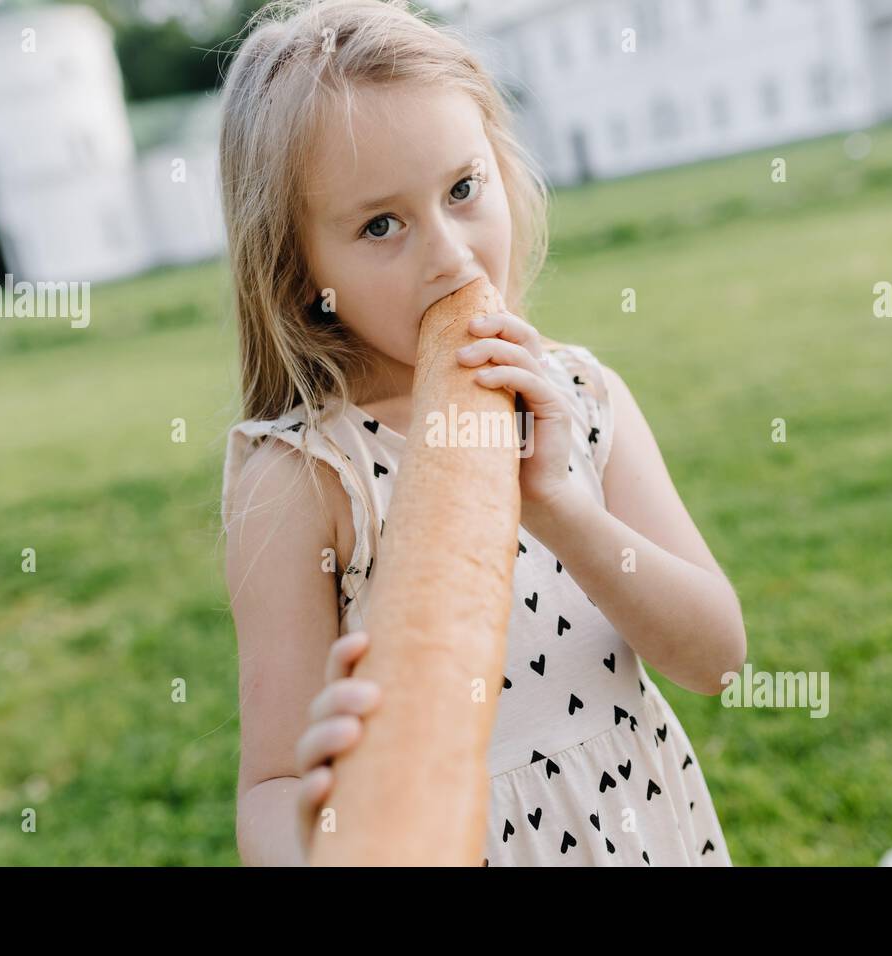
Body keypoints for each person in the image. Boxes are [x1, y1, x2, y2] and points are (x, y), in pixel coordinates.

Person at [220, 0, 746, 866]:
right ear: (298, 268)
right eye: (380, 225)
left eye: (463, 189)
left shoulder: (582, 395)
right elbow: (274, 786)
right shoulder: (306, 475)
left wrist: (567, 511)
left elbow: (717, 656)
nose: (452, 257)